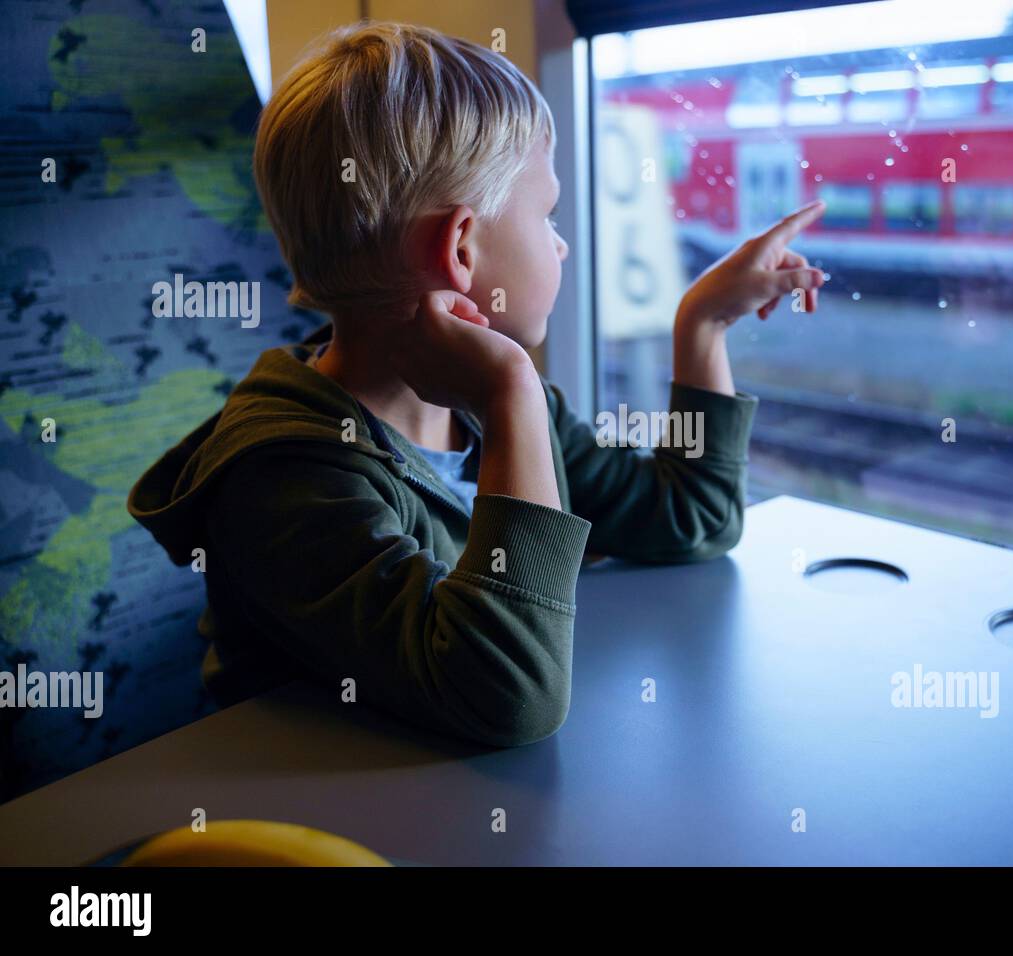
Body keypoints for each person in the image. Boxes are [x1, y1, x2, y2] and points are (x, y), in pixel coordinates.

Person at [126, 21, 824, 746]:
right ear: (460, 248)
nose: (560, 242)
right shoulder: (287, 479)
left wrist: (701, 326)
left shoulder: (501, 420)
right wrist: (511, 394)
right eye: (546, 213)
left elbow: (691, 521)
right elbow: (504, 697)